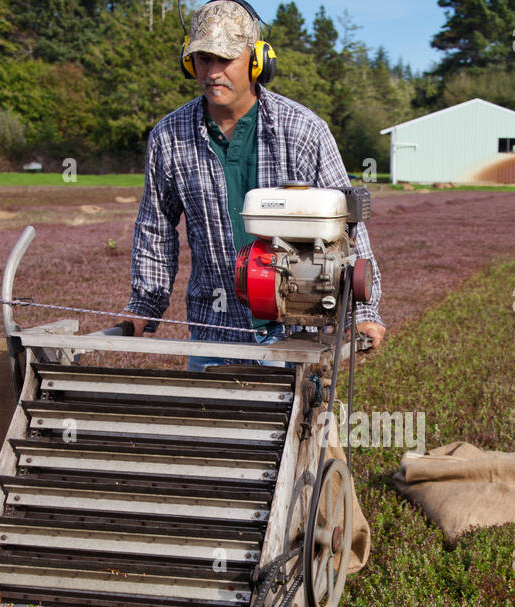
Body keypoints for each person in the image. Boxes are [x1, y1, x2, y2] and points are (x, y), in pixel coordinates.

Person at [125, 0, 385, 371]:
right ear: (189, 63)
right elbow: (155, 227)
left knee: (296, 428)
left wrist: (363, 310)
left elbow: (349, 226)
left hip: (295, 334)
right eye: (202, 59)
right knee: (209, 426)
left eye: (225, 59)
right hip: (212, 331)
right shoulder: (169, 137)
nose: (212, 72)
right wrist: (142, 307)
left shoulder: (302, 130)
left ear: (257, 60)